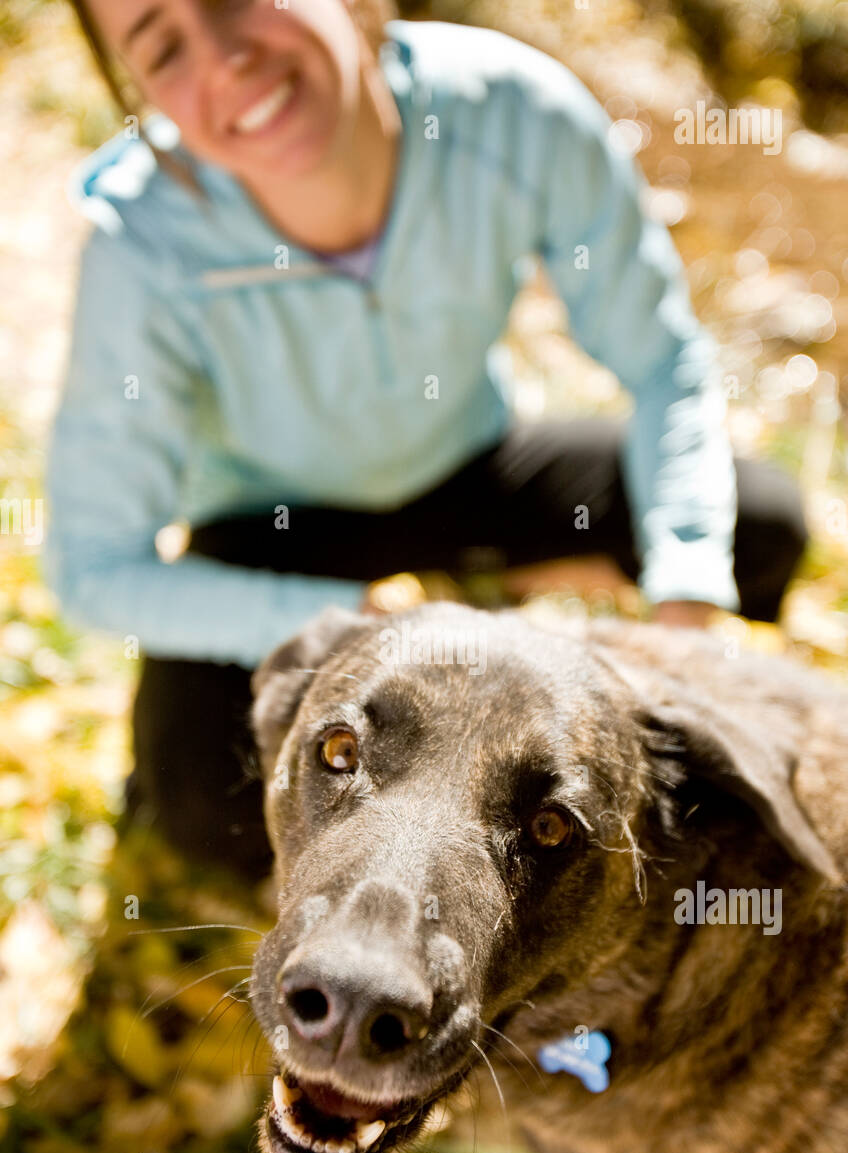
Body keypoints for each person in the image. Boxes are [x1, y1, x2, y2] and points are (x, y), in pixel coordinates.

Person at [47, 0, 807, 880]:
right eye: (163, 45)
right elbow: (93, 570)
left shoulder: (514, 110)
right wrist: (333, 627)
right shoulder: (137, 247)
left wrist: (684, 608)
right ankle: (453, 602)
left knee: (759, 527)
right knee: (198, 797)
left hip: (473, 463)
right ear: (138, 90)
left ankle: (487, 581)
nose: (223, 62)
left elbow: (663, 363)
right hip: (282, 532)